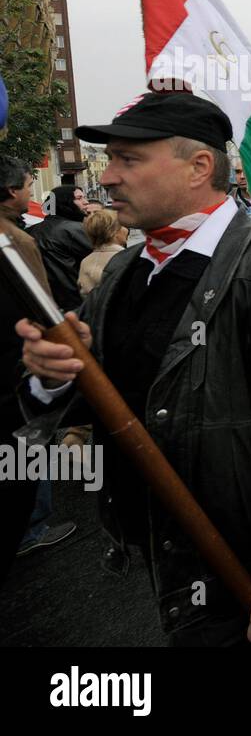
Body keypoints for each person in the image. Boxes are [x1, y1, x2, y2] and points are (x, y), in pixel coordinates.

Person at [15, 92, 251, 645]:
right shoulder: (123, 274)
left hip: (241, 557)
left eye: (127, 159)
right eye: (109, 160)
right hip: (166, 551)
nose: (106, 178)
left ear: (199, 166)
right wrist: (52, 375)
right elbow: (98, 401)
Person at [0, 157, 56, 583]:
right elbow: (43, 313)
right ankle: (34, 526)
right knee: (28, 451)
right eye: (25, 183)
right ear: (9, 190)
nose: (30, 189)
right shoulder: (14, 241)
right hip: (18, 375)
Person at [28, 185, 92, 311]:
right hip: (75, 301)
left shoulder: (31, 231)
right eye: (79, 198)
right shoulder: (75, 230)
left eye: (84, 197)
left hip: (44, 302)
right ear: (65, 202)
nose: (86, 202)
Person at [78, 208, 129, 297]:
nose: (126, 230)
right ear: (114, 232)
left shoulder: (85, 261)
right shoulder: (127, 258)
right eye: (122, 226)